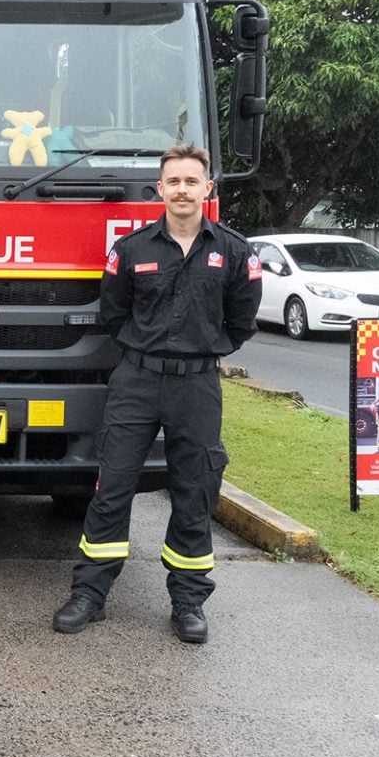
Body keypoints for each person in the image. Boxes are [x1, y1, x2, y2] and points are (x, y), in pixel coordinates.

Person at [52, 144, 260, 646]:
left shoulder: (234, 252)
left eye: (193, 181)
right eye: (174, 181)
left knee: (194, 490)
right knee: (112, 487)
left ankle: (188, 601)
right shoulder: (131, 249)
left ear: (208, 189)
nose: (183, 190)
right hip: (136, 383)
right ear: (159, 190)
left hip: (197, 385)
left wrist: (200, 352)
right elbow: (113, 314)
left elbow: (242, 320)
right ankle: (90, 595)